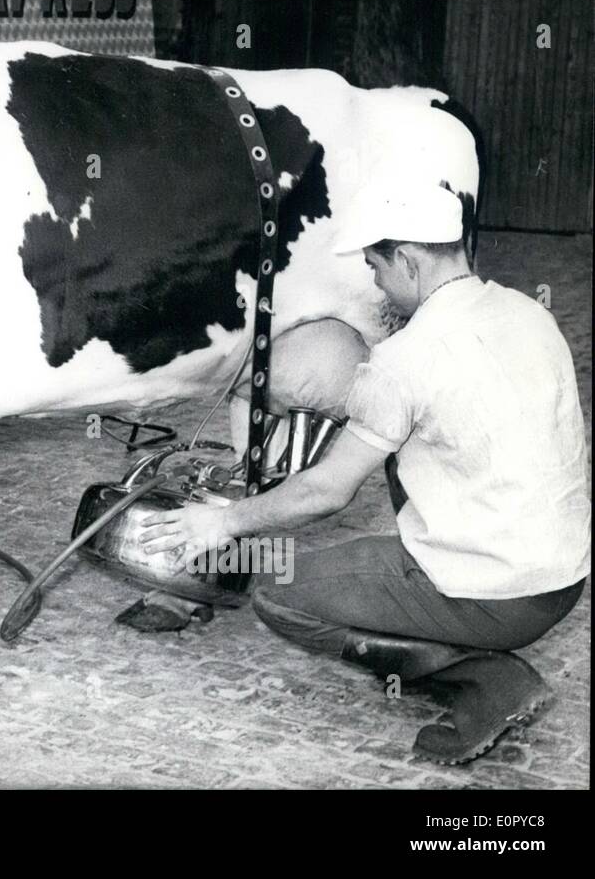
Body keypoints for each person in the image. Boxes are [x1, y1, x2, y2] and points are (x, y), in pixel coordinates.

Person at [141, 180, 589, 765]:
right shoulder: (529, 312)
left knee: (281, 596)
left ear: (407, 260)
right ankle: (455, 642)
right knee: (404, 460)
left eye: (376, 269)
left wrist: (224, 524)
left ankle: (485, 677)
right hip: (563, 578)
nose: (376, 284)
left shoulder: (407, 357)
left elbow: (328, 491)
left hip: (494, 593)